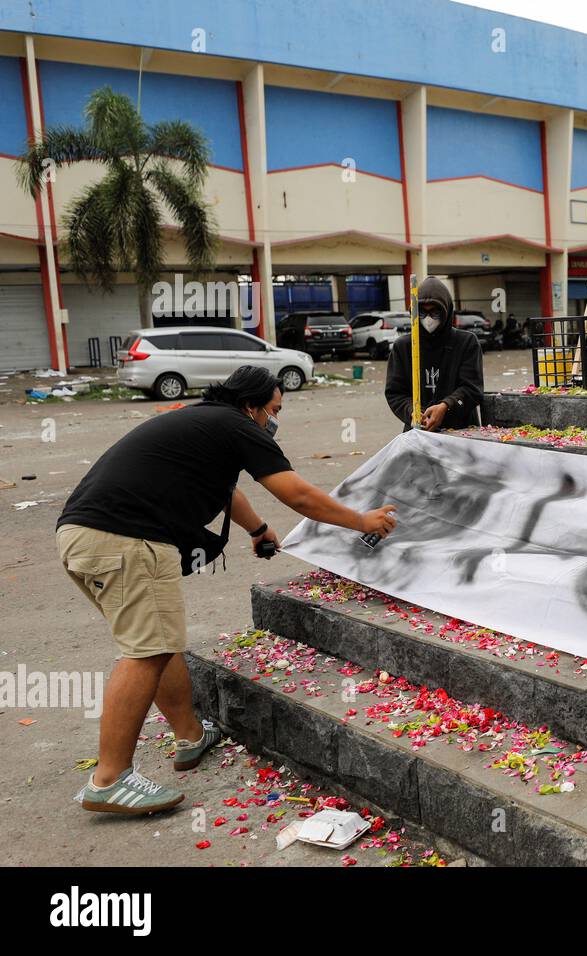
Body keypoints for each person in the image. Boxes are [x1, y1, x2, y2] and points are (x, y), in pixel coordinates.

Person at [57, 365, 398, 815]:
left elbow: (224, 491)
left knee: (157, 644)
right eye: (274, 409)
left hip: (83, 537)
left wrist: (257, 530)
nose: (274, 419)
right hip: (128, 540)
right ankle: (109, 779)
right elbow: (295, 493)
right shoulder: (238, 424)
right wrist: (361, 520)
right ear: (252, 404)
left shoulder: (203, 422)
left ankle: (190, 736)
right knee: (145, 651)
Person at [385, 275, 484, 431]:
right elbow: (395, 393)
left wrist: (446, 406)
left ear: (446, 311)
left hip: (462, 432)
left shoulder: (466, 343)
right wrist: (412, 412)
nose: (428, 319)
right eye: (422, 313)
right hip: (418, 433)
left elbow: (472, 389)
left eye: (435, 312)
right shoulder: (403, 347)